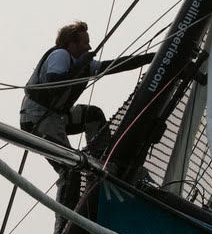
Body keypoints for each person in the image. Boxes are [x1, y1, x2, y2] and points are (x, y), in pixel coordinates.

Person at [20, 20, 154, 212]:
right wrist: (79, 67)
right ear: (72, 44)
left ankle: (101, 161)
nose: (90, 47)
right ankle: (66, 218)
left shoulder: (81, 63)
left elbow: (112, 66)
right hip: (37, 119)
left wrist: (151, 58)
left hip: (58, 116)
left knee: (93, 115)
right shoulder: (60, 55)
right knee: (69, 169)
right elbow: (54, 85)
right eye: (85, 42)